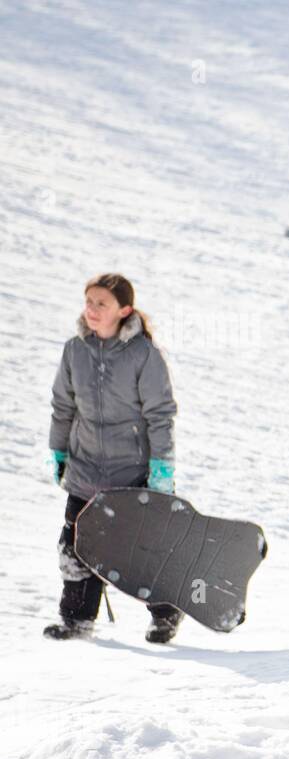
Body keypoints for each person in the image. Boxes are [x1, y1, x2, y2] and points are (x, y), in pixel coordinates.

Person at [46, 273, 183, 644]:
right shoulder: (75, 350)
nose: (91, 310)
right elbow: (63, 406)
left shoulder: (144, 355)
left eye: (100, 304)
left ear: (124, 310)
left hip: (130, 474)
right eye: (88, 302)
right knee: (74, 548)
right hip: (84, 469)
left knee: (138, 554)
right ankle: (76, 621)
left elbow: (160, 415)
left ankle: (167, 611)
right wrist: (58, 451)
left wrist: (162, 468)